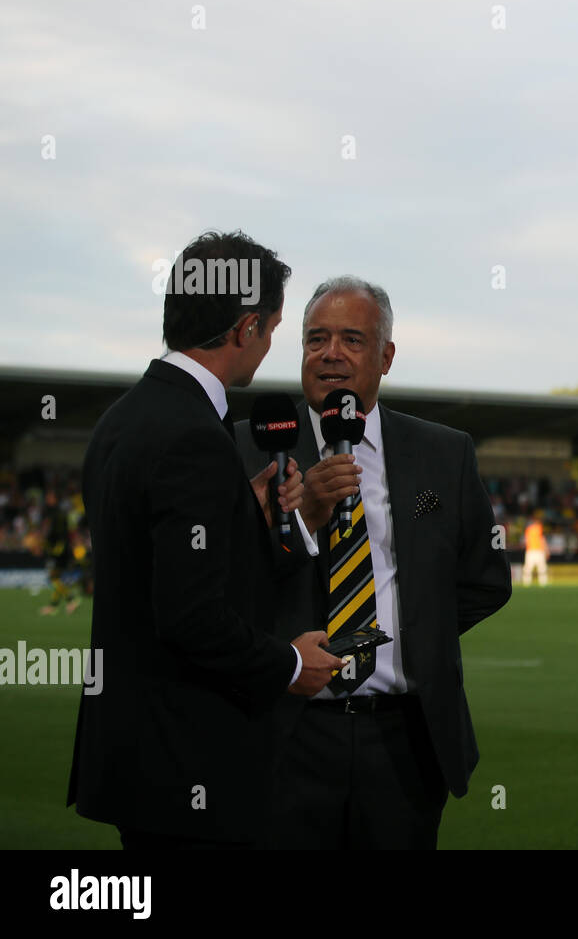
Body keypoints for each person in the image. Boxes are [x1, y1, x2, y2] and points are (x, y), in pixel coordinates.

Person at [67, 230, 342, 849]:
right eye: (272, 330)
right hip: (187, 761)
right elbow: (191, 619)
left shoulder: (123, 420)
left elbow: (153, 567)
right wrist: (291, 662)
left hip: (135, 757)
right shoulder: (193, 434)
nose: (269, 347)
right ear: (246, 328)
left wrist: (243, 516)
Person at [234, 275, 511, 849]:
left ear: (385, 356)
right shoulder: (245, 448)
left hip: (404, 740)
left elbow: (485, 579)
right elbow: (220, 588)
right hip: (284, 732)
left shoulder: (443, 452)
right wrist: (304, 514)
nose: (331, 353)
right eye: (316, 339)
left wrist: (410, 629)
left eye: (352, 340)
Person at [522, 512, 550, 586]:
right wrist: (546, 550)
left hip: (531, 551)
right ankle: (543, 583)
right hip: (537, 551)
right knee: (541, 568)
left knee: (528, 568)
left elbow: (526, 541)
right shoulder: (539, 528)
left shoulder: (528, 529)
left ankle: (526, 583)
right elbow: (542, 539)